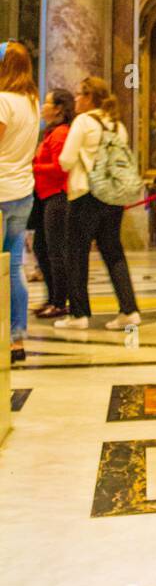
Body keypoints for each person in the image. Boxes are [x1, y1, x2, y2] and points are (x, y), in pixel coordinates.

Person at [57, 77, 140, 331]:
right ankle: (129, 310)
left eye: (80, 94)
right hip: (112, 196)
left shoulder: (83, 122)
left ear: (90, 97)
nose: (76, 99)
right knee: (113, 251)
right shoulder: (117, 125)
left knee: (76, 253)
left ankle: (79, 314)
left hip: (85, 194)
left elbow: (66, 160)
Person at [0, 42, 40, 362]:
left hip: (0, 191)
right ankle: (16, 339)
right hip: (22, 192)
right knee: (13, 268)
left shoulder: (2, 101)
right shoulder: (32, 101)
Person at [31, 88, 75, 319]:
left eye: (47, 102)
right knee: (41, 247)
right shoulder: (50, 132)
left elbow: (60, 168)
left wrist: (33, 167)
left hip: (57, 197)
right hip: (46, 196)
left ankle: (60, 302)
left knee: (55, 251)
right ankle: (52, 297)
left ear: (58, 108)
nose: (43, 106)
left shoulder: (59, 133)